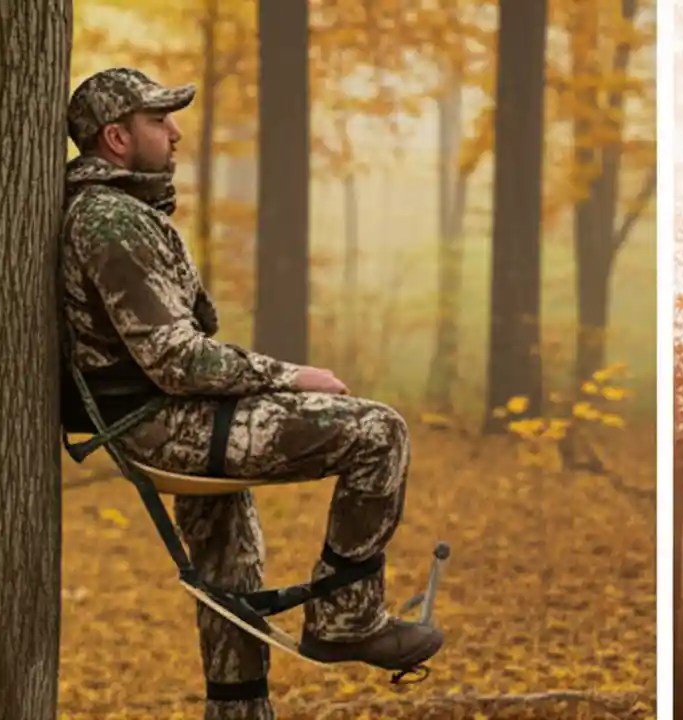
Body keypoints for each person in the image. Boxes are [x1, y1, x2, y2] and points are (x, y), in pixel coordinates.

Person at [58, 67, 443, 720]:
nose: (176, 133)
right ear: (116, 140)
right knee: (379, 432)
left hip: (171, 414)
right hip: (163, 421)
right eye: (159, 121)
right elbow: (177, 360)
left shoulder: (126, 215)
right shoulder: (110, 222)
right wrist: (290, 374)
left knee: (231, 561)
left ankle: (239, 710)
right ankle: (346, 617)